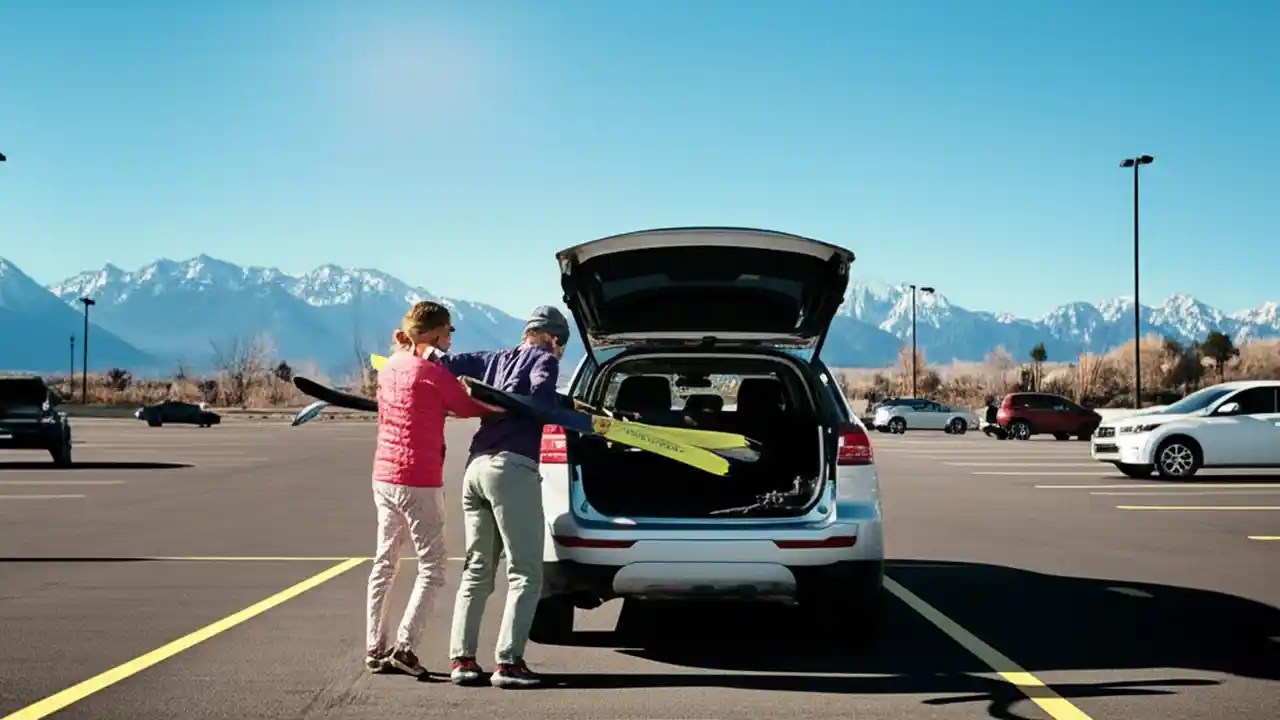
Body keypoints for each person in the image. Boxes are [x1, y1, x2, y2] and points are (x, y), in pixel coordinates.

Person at [435, 305, 572, 689]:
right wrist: (565, 406)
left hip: (475, 469)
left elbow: (446, 363)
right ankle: (509, 664)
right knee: (525, 572)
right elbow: (541, 402)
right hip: (511, 470)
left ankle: (462, 660)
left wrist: (420, 354)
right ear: (554, 338)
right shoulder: (544, 358)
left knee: (478, 570)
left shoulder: (493, 358)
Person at [364, 301, 502, 676]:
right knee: (432, 566)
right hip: (418, 479)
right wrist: (507, 408)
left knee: (385, 561)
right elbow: (468, 406)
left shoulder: (390, 367)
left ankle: (375, 648)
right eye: (450, 330)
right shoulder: (431, 372)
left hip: (384, 477)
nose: (452, 336)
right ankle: (405, 648)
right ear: (436, 332)